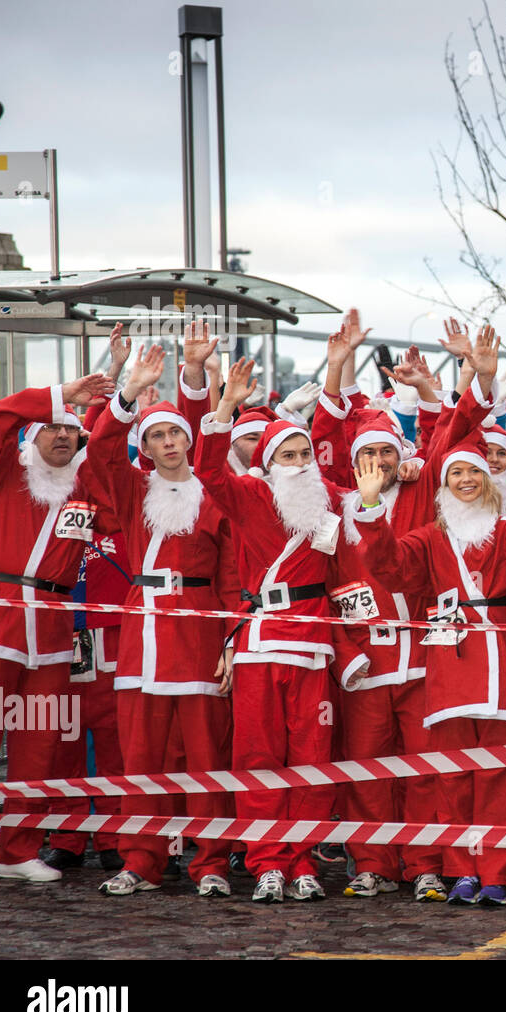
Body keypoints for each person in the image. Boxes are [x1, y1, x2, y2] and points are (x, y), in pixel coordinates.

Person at [353, 444, 506, 908]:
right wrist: (371, 509)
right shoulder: (429, 536)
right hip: (448, 670)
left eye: (474, 472)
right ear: (442, 485)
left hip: (498, 665)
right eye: (455, 474)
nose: (465, 480)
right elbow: (391, 569)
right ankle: (460, 869)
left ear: (488, 481)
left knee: (498, 777)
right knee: (452, 777)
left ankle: (495, 873)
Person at [195, 357, 364, 903]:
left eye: (303, 453)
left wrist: (398, 470)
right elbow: (210, 472)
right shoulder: (250, 498)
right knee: (257, 759)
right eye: (285, 456)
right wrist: (225, 406)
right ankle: (267, 861)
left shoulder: (330, 500)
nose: (297, 462)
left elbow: (372, 484)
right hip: (260, 645)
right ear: (267, 464)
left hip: (312, 646)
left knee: (312, 763)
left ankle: (303, 862)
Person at [84, 345, 239, 897]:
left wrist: (230, 641)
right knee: (141, 758)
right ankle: (141, 860)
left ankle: (212, 862)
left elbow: (231, 574)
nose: (168, 443)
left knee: (205, 757)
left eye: (175, 434)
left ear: (188, 441)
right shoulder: (133, 488)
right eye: (157, 436)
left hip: (198, 630)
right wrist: (127, 394)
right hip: (143, 634)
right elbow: (100, 453)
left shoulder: (215, 493)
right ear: (146, 446)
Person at [0, 371, 114, 884]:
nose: (62, 435)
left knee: (39, 746)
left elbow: (119, 507)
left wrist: (115, 408)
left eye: (71, 430)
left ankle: (16, 851)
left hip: (52, 633)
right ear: (29, 437)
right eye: (50, 427)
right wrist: (62, 397)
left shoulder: (83, 487)